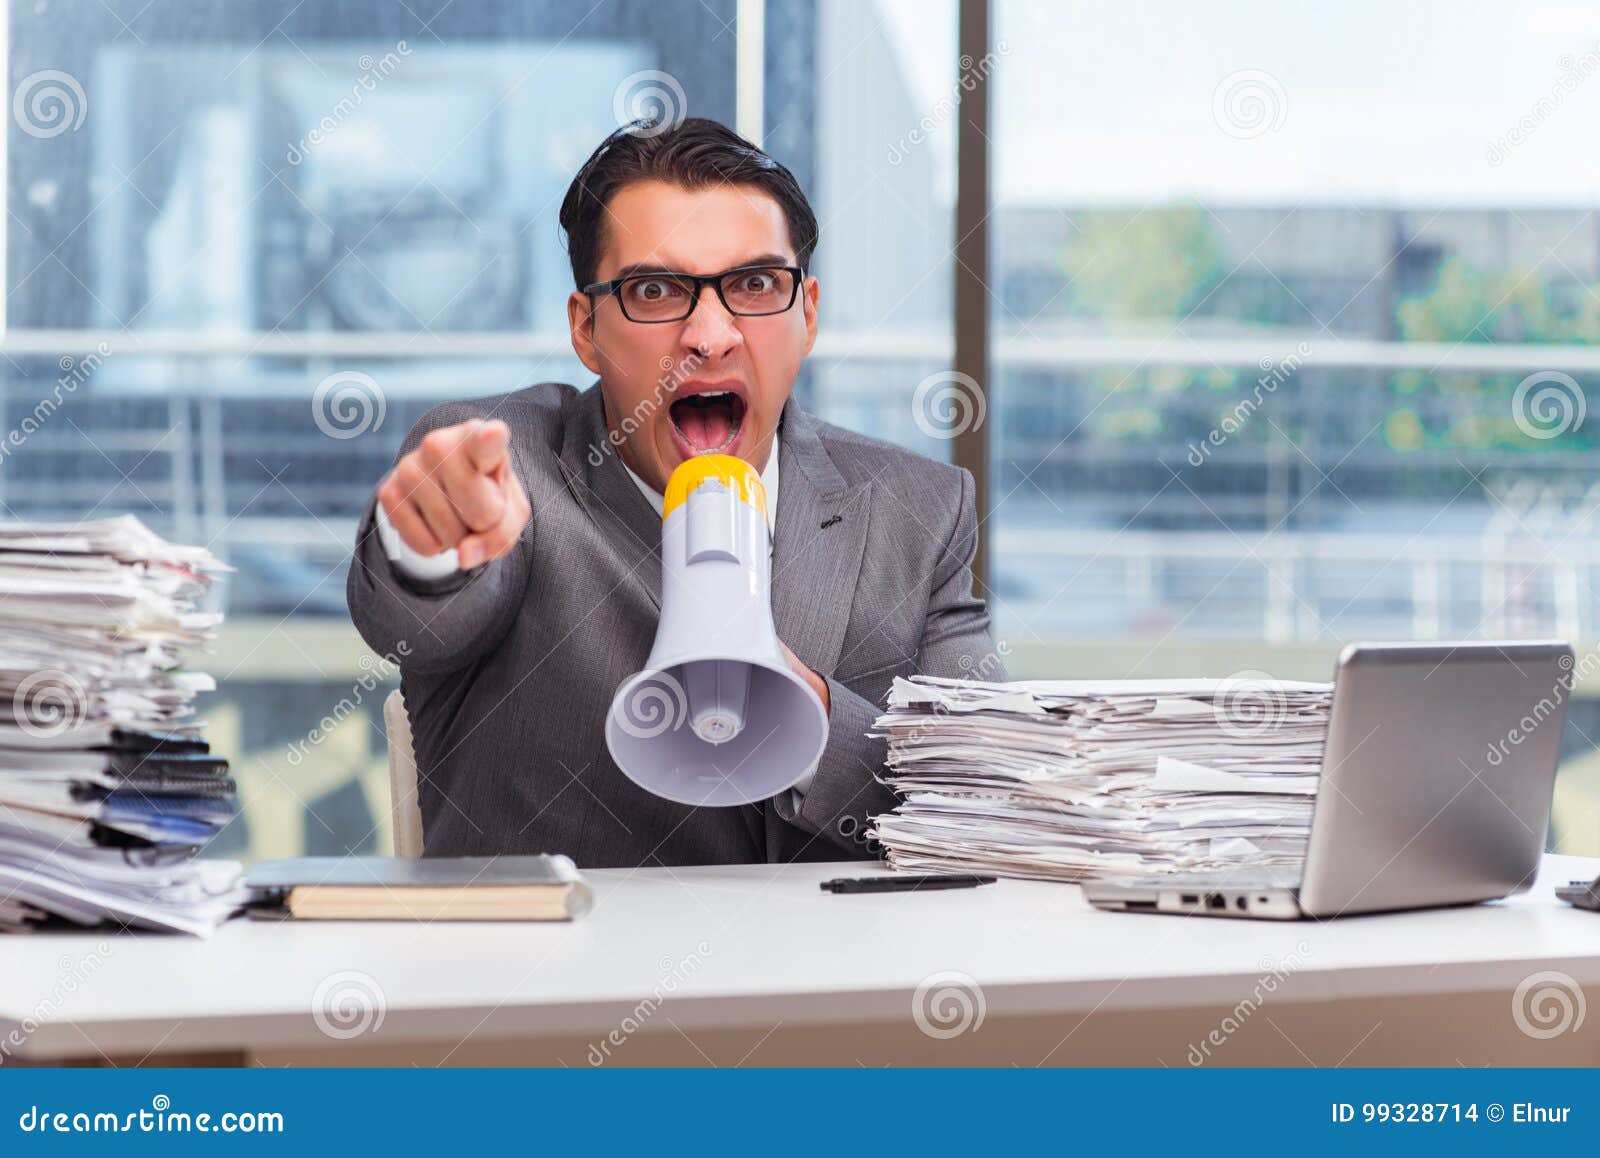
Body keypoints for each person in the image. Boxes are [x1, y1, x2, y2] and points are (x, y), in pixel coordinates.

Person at [347, 116, 1002, 866]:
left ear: (808, 314)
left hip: (838, 979)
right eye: (656, 290)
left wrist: (807, 713)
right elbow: (419, 614)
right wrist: (427, 549)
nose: (711, 335)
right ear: (586, 328)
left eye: (755, 284)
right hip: (558, 980)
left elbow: (981, 800)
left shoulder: (917, 510)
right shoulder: (505, 468)